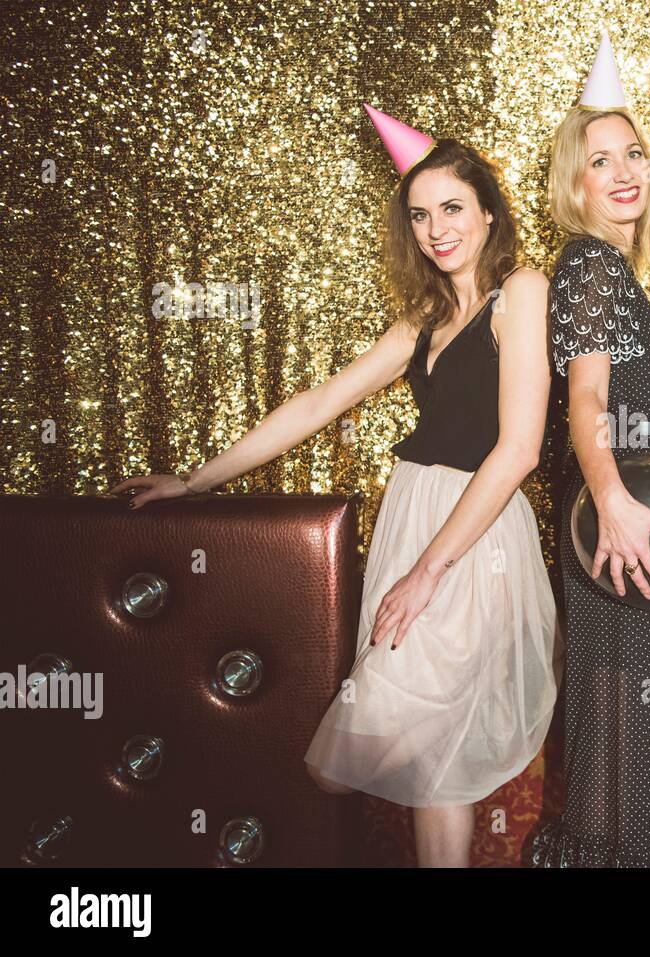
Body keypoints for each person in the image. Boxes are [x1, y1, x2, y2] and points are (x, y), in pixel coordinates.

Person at [111, 109, 557, 868]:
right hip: (412, 521)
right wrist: (195, 480)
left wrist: (428, 570)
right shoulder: (423, 318)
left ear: (488, 210)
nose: (436, 228)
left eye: (452, 207)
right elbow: (319, 402)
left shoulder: (522, 291)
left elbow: (516, 450)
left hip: (471, 540)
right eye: (419, 214)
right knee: (435, 762)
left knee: (364, 746)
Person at [527, 33, 650, 867]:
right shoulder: (591, 267)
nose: (623, 173)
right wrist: (611, 500)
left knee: (636, 736)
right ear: (574, 181)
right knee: (629, 743)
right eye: (599, 160)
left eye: (633, 153)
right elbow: (584, 399)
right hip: (619, 532)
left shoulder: (616, 270)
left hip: (635, 531)